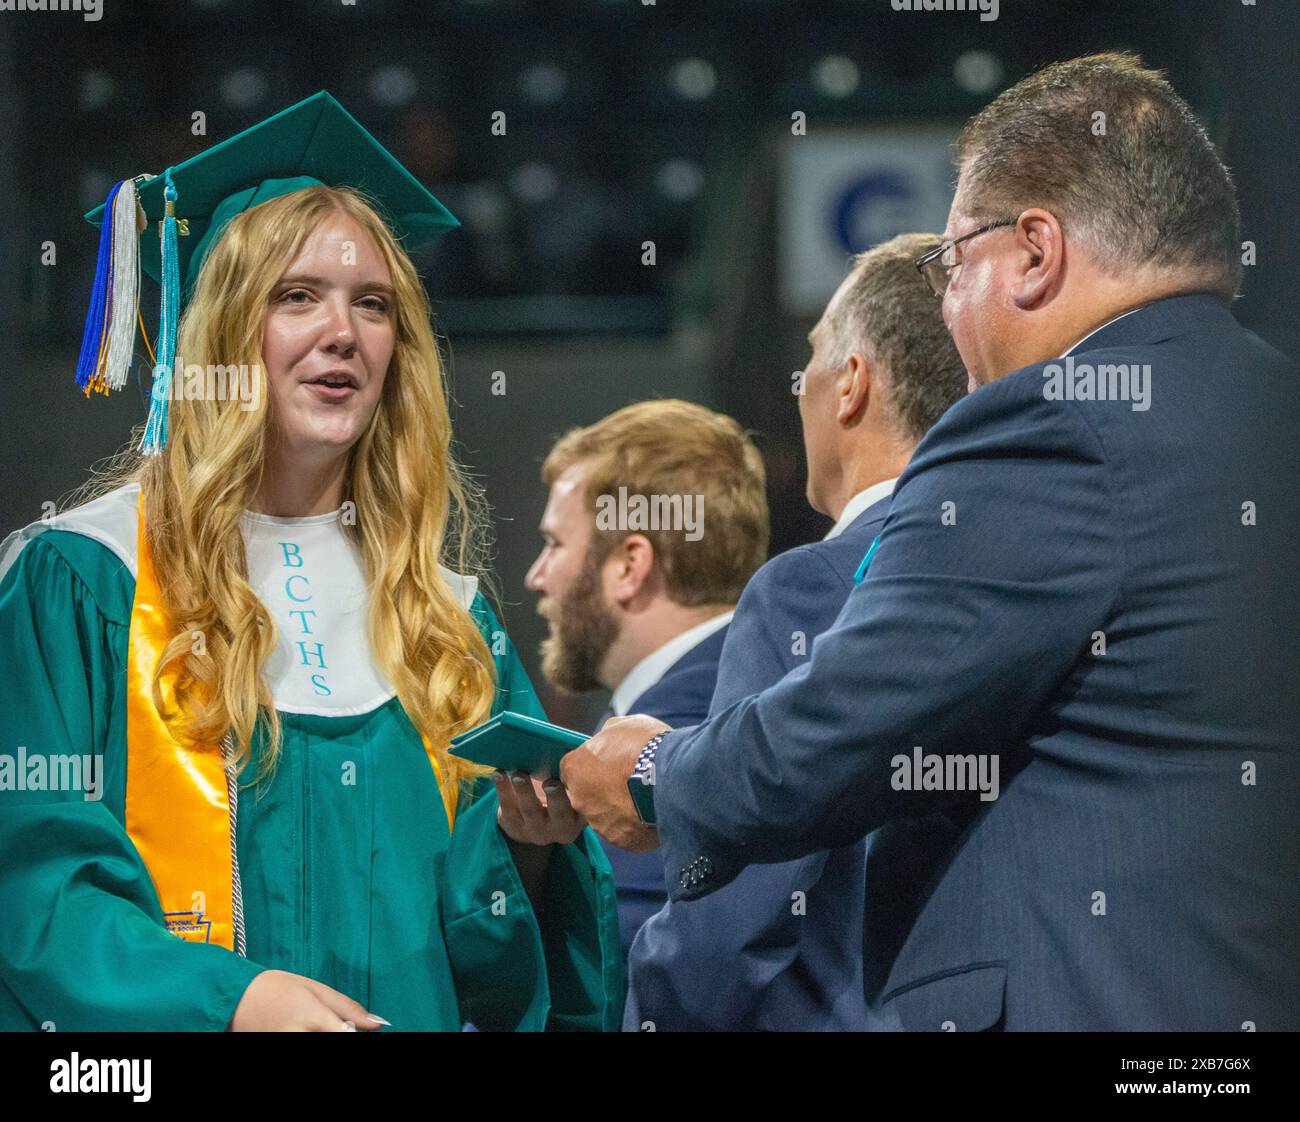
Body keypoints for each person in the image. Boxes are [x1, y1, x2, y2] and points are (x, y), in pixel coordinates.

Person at [561, 53, 1300, 1030]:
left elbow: (838, 733)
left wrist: (657, 775)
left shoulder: (1053, 425)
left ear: (1034, 251)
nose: (948, 317)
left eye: (954, 263)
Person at [0, 92, 622, 1032]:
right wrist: (232, 1001)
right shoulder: (88, 582)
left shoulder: (444, 619)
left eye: (372, 305)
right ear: (218, 334)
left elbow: (500, 961)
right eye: (297, 297)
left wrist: (526, 848)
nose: (344, 332)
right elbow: (34, 889)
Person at [625, 234, 968, 1030]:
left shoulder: (810, 587)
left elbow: (729, 926)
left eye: (811, 359)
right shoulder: (1022, 577)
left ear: (851, 384)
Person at [525, 399, 768, 959]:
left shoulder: (671, 741)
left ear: (630, 566)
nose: (536, 577)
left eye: (555, 543)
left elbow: (607, 983)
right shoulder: (752, 704)